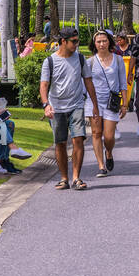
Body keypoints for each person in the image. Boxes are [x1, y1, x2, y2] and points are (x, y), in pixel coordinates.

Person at [39, 27, 100, 191]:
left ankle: (76, 178)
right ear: (63, 41)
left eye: (77, 41)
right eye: (73, 41)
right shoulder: (50, 61)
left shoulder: (80, 59)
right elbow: (44, 86)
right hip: (57, 108)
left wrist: (95, 106)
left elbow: (88, 82)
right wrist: (46, 105)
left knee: (78, 139)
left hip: (76, 105)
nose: (76, 44)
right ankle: (64, 178)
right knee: (60, 143)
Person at [86, 30, 128, 177]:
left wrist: (125, 103)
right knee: (96, 133)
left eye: (104, 41)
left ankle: (108, 152)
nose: (102, 44)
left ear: (109, 41)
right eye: (98, 41)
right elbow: (86, 84)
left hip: (112, 102)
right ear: (94, 44)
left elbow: (123, 82)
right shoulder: (90, 62)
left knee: (109, 137)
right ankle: (101, 166)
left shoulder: (118, 60)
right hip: (93, 102)